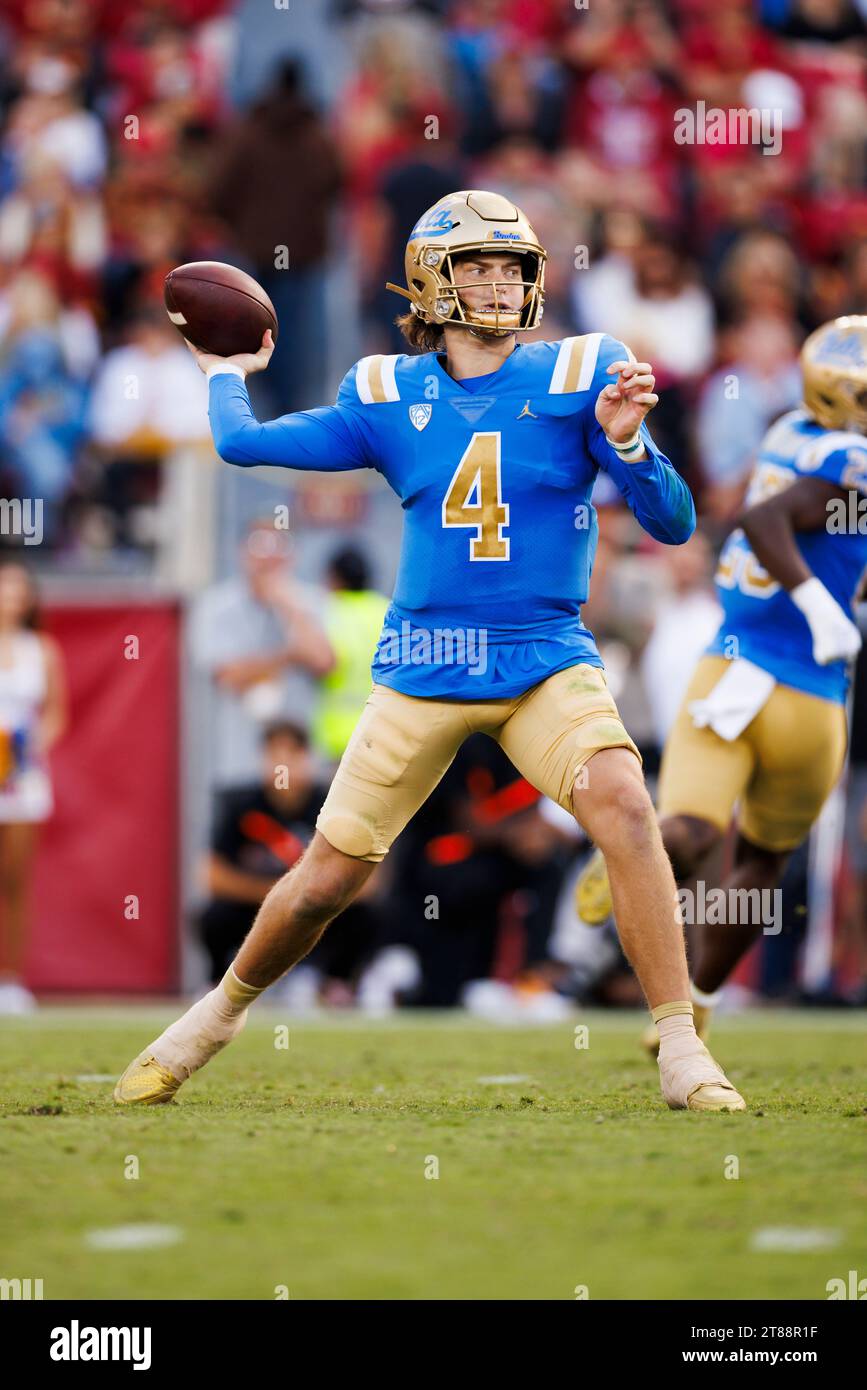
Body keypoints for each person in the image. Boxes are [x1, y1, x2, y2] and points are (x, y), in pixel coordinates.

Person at [115, 189, 744, 1113]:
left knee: (625, 805)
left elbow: (673, 522)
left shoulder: (583, 372)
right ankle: (212, 1017)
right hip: (425, 664)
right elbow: (242, 446)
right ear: (429, 283)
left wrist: (630, 444)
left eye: (510, 268)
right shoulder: (384, 392)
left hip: (542, 654)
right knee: (325, 878)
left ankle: (681, 1044)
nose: (497, 285)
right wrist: (222, 366)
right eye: (477, 267)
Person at [577, 316, 867, 1051]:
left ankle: (684, 983)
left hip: (736, 663)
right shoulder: (847, 457)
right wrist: (820, 609)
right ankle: (694, 1000)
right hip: (803, 680)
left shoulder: (787, 431)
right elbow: (766, 520)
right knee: (758, 858)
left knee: (703, 834)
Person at [190, 518, 335, 789]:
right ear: (242, 551)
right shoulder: (215, 607)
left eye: (279, 545)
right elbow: (228, 676)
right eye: (259, 545)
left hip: (304, 764)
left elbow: (323, 661)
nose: (269, 556)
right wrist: (288, 656)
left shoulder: (313, 602)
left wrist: (288, 605)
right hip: (239, 763)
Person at [0, 563, 67, 1014]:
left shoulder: (42, 649)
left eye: (18, 589)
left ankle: (10, 980)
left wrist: (25, 753)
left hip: (21, 780)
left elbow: (56, 713)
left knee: (15, 881)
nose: (10, 596)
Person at [311, 547, 389, 764]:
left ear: (334, 578)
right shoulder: (385, 610)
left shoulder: (330, 610)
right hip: (382, 729)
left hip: (339, 736)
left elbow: (322, 663)